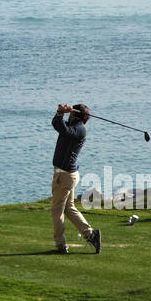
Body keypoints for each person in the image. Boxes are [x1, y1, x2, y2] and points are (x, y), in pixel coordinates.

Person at [50, 103, 101, 254]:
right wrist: (60, 113)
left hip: (64, 176)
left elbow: (63, 130)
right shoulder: (76, 126)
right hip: (68, 175)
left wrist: (61, 112)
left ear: (74, 114)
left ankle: (61, 244)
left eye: (71, 112)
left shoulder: (78, 129)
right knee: (69, 208)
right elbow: (56, 124)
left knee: (57, 210)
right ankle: (91, 235)